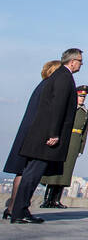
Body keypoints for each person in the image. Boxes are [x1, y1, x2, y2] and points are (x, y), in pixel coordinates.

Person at [8, 48, 83, 224]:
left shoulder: (57, 77)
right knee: (33, 174)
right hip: (46, 138)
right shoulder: (64, 78)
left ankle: (18, 210)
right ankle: (20, 212)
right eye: (80, 61)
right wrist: (54, 134)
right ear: (72, 62)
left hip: (41, 135)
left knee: (31, 173)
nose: (81, 64)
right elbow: (56, 108)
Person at [4, 60, 60, 220]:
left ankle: (11, 207)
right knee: (28, 172)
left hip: (26, 133)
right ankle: (18, 208)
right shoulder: (50, 87)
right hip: (36, 134)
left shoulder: (42, 85)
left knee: (21, 170)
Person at [40, 84, 88, 208]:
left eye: (83, 97)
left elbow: (84, 132)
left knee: (66, 173)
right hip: (63, 141)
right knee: (55, 171)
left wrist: (80, 148)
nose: (82, 99)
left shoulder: (86, 113)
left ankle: (56, 199)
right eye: (80, 96)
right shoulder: (68, 109)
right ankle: (47, 199)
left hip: (74, 143)